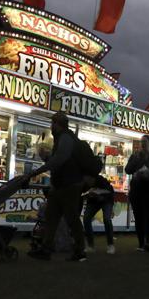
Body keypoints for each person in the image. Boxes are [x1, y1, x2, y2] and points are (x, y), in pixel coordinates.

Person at [28, 112, 87, 262]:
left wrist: (39, 169)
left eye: (52, 123)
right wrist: (48, 158)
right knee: (51, 216)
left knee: (71, 219)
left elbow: (60, 160)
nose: (51, 126)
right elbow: (60, 160)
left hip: (69, 185)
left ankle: (80, 251)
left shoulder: (66, 138)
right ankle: (46, 249)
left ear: (57, 124)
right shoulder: (63, 138)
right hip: (62, 184)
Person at [125, 135, 149, 253]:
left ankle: (148, 243)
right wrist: (136, 166)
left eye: (144, 142)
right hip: (137, 191)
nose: (142, 144)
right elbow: (127, 170)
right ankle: (141, 243)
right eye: (141, 142)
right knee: (139, 218)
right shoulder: (136, 155)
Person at [81, 174, 116, 254]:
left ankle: (110, 245)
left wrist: (102, 197)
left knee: (107, 219)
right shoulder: (84, 183)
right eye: (86, 180)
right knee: (86, 219)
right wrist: (87, 196)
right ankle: (90, 245)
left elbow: (110, 192)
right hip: (93, 201)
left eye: (89, 180)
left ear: (93, 178)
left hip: (106, 200)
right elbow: (82, 194)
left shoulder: (101, 180)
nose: (87, 182)